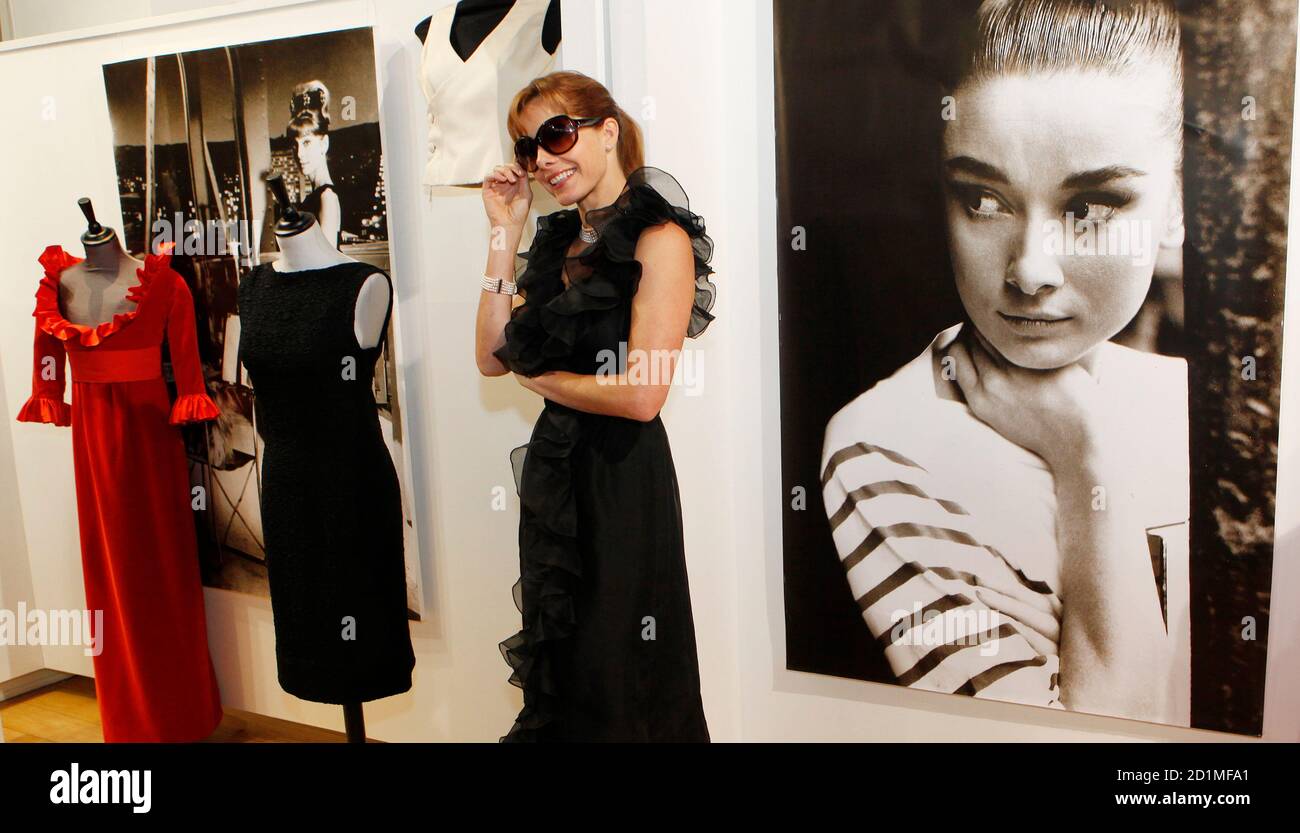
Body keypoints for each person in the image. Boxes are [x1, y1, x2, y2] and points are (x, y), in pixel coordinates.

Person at [820, 0, 1190, 724]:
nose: (1030, 271)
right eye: (984, 199)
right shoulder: (886, 444)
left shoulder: (1199, 404)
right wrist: (1084, 460)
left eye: (1092, 203)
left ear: (1177, 202)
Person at [475, 70, 717, 741]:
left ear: (607, 130)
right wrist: (504, 229)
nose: (544, 159)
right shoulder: (556, 244)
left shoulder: (659, 239)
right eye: (529, 148)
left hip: (622, 480)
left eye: (557, 134)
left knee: (626, 674)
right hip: (557, 480)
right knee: (570, 671)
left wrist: (546, 381)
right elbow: (493, 354)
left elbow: (643, 395)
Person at [287, 80, 341, 248]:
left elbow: (328, 270)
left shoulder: (327, 198)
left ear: (324, 144)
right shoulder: (315, 197)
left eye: (307, 143)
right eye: (295, 145)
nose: (299, 154)